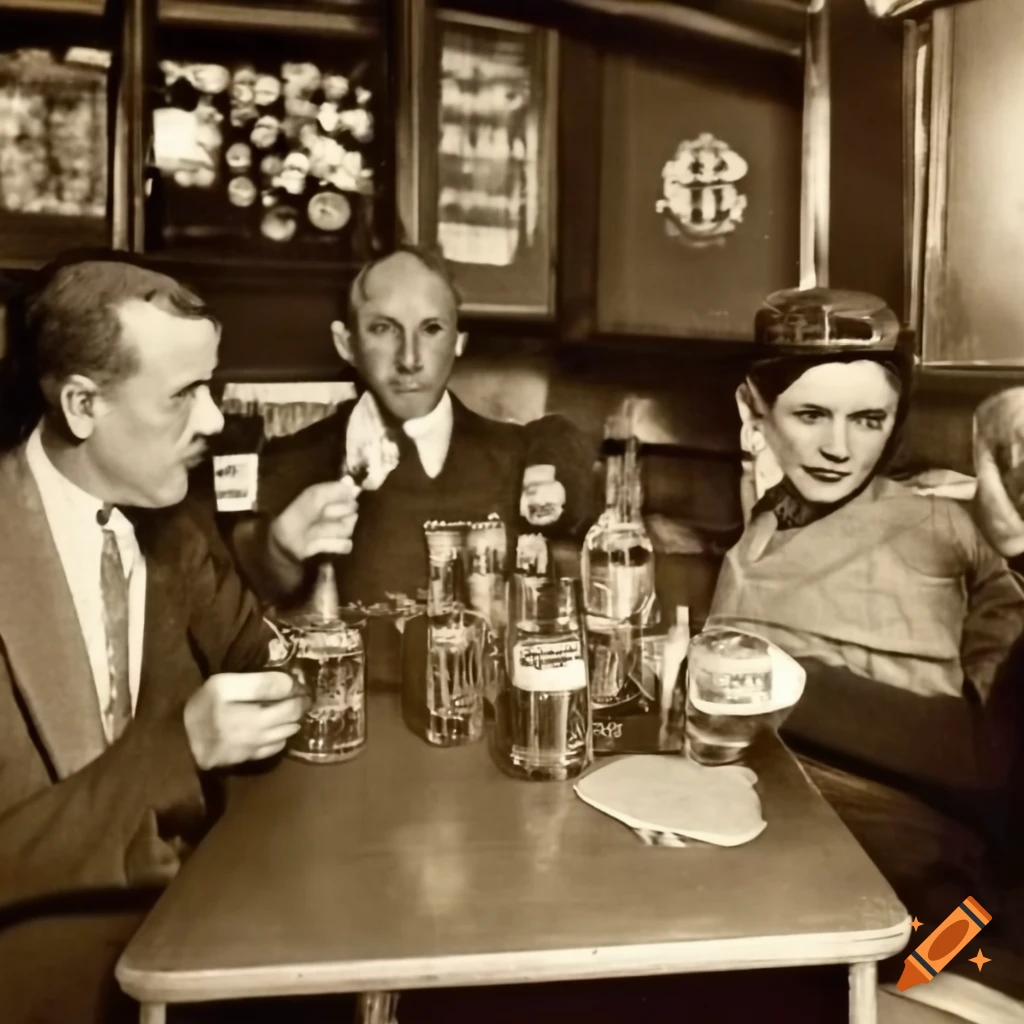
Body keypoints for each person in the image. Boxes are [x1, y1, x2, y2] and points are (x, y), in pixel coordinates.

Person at [0, 256, 307, 1024]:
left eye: (211, 386)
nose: (210, 419)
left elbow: (260, 657)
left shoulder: (171, 521)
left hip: (186, 955)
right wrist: (181, 749)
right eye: (182, 395)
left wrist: (292, 578)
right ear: (81, 404)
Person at [706, 287, 1024, 1003]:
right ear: (752, 412)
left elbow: (992, 759)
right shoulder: (763, 524)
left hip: (913, 881)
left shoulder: (951, 527)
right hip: (758, 824)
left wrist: (778, 682)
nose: (839, 447)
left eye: (869, 419)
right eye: (811, 415)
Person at [228, 245, 597, 610]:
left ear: (458, 342)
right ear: (347, 344)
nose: (409, 359)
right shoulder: (288, 464)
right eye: (383, 329)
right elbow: (241, 587)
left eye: (431, 328)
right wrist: (276, 552)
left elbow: (574, 470)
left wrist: (553, 468)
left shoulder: (519, 456)